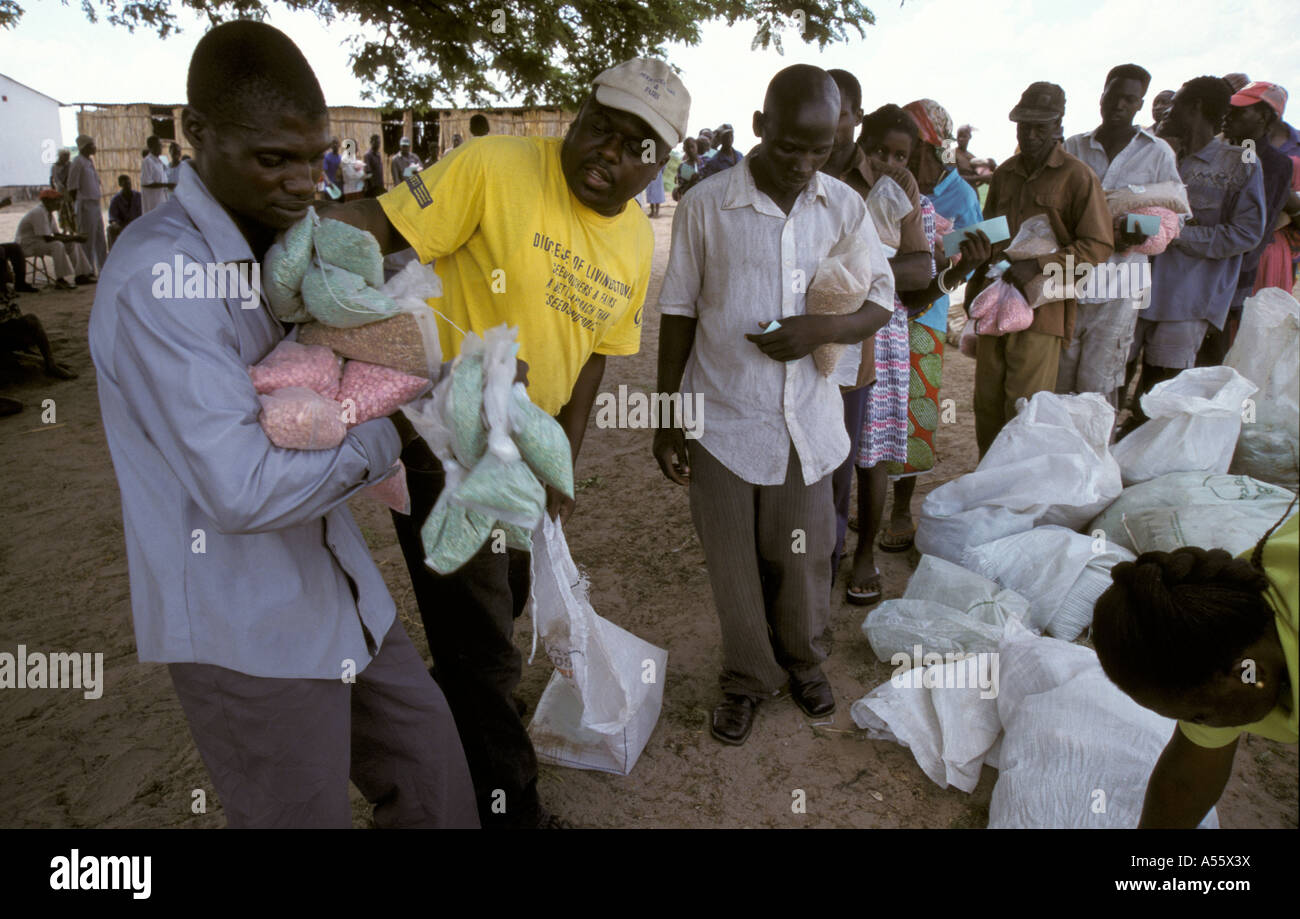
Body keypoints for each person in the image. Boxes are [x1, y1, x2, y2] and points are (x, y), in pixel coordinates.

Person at [86, 20, 478, 830]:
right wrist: (395, 418)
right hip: (243, 629)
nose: (305, 183)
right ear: (197, 134)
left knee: (432, 772)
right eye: (274, 160)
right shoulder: (160, 279)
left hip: (336, 588)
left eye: (316, 157)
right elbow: (243, 488)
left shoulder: (290, 247)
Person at [326, 56, 684, 827]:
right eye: (602, 129)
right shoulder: (492, 165)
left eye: (636, 149)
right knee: (485, 638)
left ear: (658, 164)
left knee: (504, 604)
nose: (608, 155)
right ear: (579, 113)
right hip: (443, 438)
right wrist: (303, 231)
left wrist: (566, 464)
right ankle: (510, 808)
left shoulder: (630, 243)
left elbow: (593, 359)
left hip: (526, 450)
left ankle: (450, 722)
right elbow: (381, 224)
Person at [655, 64, 894, 745]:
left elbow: (879, 299)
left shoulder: (842, 206)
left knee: (802, 552)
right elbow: (677, 313)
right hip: (722, 416)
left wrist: (823, 329)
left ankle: (805, 660)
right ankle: (746, 677)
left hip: (805, 421)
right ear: (761, 128)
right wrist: (667, 416)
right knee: (732, 563)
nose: (802, 163)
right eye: (790, 145)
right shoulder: (706, 206)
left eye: (819, 148)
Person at [1091, 502, 1297, 828]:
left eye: (1197, 716)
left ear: (1245, 671)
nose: (1202, 725)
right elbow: (1185, 782)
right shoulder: (1227, 610)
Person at [969, 82, 1113, 456]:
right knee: (986, 404)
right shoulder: (1005, 173)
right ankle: (987, 486)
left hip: (1042, 308)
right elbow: (992, 232)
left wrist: (1039, 265)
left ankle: (1015, 493)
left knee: (1024, 409)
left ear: (1058, 126)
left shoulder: (1077, 176)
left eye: (1040, 127)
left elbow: (1098, 245)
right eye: (1023, 126)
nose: (1030, 135)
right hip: (996, 302)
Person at [1123, 77, 1267, 430]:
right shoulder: (1155, 155)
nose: (1167, 111)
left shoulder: (1240, 164)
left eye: (1177, 104)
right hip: (1129, 289)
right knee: (1112, 376)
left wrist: (1172, 234)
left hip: (1187, 298)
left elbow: (1246, 233)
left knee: (1162, 392)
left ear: (1197, 108)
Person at [878, 98, 988, 553]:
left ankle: (901, 507)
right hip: (877, 308)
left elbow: (973, 255)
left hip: (925, 314)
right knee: (868, 406)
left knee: (915, 413)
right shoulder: (882, 183)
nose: (910, 161)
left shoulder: (959, 195)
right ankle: (857, 495)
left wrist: (961, 262)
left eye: (920, 150)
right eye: (904, 151)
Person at [836, 101, 932, 604]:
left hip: (884, 330)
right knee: (828, 446)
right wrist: (884, 264)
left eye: (902, 154)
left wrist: (868, 266)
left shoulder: (907, 189)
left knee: (871, 453)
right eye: (882, 151)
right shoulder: (835, 175)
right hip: (832, 322)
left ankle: (864, 554)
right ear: (862, 143)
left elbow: (920, 272)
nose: (892, 163)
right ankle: (827, 547)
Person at [1059, 64, 1180, 410]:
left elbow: (1177, 220)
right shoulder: (1073, 147)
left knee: (1099, 388)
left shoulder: (1157, 153)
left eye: (1129, 99)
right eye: (1114, 96)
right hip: (1067, 281)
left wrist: (1133, 232)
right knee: (1060, 386)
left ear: (1140, 105)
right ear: (1102, 96)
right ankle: (1063, 462)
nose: (1119, 105)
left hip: (1121, 288)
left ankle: (1098, 462)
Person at [1198, 81, 1298, 363]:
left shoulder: (1275, 164)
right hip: (1200, 264)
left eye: (1240, 112)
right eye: (1229, 110)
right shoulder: (1213, 152)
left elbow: (1256, 231)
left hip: (1232, 273)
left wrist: (1227, 277)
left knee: (1216, 349)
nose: (1229, 117)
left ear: (1265, 117)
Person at [16, 189, 92, 289]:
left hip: (39, 242)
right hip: (27, 245)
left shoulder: (48, 213)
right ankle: (60, 280)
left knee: (73, 243)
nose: (59, 203)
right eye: (56, 200)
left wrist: (75, 238)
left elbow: (56, 234)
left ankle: (81, 275)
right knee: (57, 245)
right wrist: (75, 237)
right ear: (46, 201)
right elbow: (48, 239)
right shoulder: (38, 212)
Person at [66, 134, 107, 277]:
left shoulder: (89, 162)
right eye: (92, 145)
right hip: (85, 205)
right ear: (85, 147)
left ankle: (104, 268)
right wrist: (75, 209)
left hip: (95, 204)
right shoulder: (77, 162)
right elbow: (72, 188)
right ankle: (87, 270)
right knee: (87, 240)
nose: (94, 148)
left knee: (100, 238)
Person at [107, 174, 144, 251]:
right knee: (110, 229)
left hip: (138, 223)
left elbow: (145, 211)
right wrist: (115, 224)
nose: (128, 186)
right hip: (123, 225)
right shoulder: (116, 200)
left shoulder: (138, 196)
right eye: (125, 184)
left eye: (129, 184)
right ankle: (113, 254)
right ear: (120, 185)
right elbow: (112, 217)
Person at [140, 135, 174, 213]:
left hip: (162, 199)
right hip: (153, 202)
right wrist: (166, 185)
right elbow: (145, 183)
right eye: (159, 145)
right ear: (151, 147)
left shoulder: (160, 161)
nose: (161, 147)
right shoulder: (147, 162)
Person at [362, 133, 385, 198]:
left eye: (379, 143)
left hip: (379, 185)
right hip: (372, 187)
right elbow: (368, 172)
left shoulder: (378, 154)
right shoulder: (368, 155)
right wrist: (373, 187)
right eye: (376, 142)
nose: (378, 144)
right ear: (371, 142)